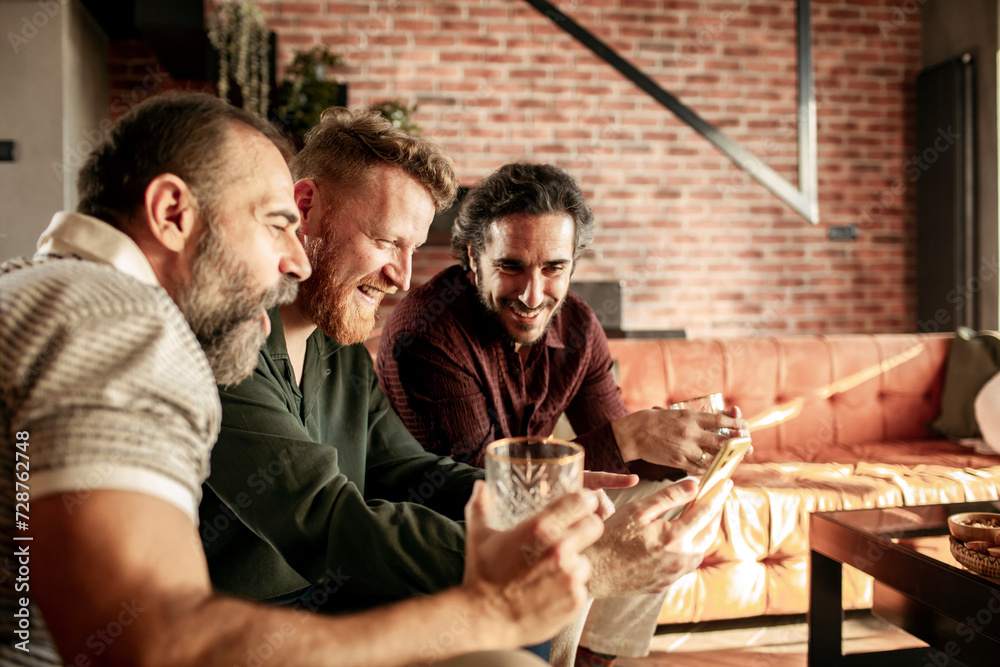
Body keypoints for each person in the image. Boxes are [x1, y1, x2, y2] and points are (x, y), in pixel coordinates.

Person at [0, 93, 605, 667]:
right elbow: (158, 643)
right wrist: (492, 607)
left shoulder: (49, 292)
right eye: (273, 223)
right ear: (172, 213)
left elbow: (405, 473)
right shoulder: (116, 322)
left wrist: (544, 504)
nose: (293, 259)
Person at [200, 108, 731, 667]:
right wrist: (557, 557)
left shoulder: (341, 348)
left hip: (346, 602)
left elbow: (410, 471)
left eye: (412, 250)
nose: (401, 278)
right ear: (304, 206)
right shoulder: (230, 345)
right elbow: (325, 520)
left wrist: (532, 497)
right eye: (386, 241)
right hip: (256, 627)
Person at [376, 162, 750, 664]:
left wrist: (687, 446)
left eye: (553, 268)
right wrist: (628, 438)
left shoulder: (577, 323)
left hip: (525, 502)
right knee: (576, 522)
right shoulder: (427, 332)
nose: (534, 296)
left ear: (572, 263)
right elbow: (480, 490)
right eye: (511, 267)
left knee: (673, 500)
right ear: (472, 258)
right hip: (442, 529)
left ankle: (594, 658)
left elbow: (620, 463)